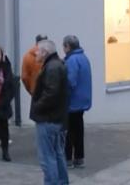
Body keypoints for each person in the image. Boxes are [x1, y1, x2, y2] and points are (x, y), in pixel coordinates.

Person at [31, 39, 69, 185]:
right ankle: (61, 182)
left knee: (48, 158)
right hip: (56, 118)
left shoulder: (52, 67)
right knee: (57, 155)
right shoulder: (56, 65)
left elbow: (51, 93)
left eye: (38, 51)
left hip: (48, 119)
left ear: (45, 52)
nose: (36, 53)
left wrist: (37, 106)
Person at [63, 35, 92, 169]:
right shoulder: (84, 58)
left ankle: (68, 159)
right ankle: (79, 158)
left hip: (72, 103)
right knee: (79, 131)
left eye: (64, 46)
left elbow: (70, 81)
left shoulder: (72, 60)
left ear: (68, 46)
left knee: (69, 132)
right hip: (82, 102)